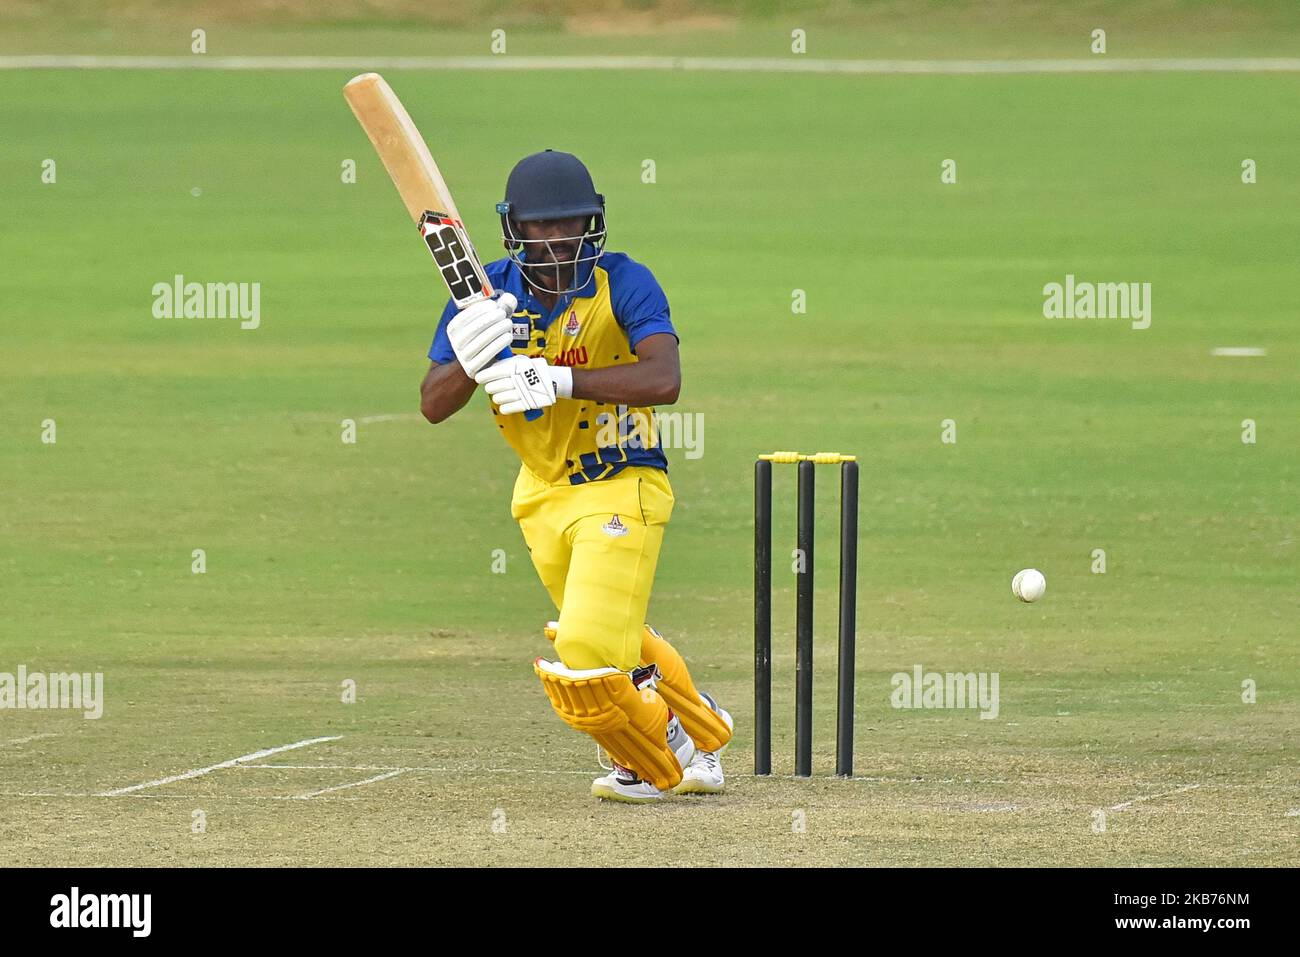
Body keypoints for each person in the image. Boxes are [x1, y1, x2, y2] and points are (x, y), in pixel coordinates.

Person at [418, 149, 732, 803]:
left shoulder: (625, 281)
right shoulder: (484, 295)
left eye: (573, 224)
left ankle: (653, 758)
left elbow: (664, 379)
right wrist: (471, 358)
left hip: (623, 478)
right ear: (516, 229)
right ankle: (700, 727)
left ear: (595, 223)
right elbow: (432, 403)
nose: (560, 238)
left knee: (587, 644)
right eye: (544, 227)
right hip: (541, 494)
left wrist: (560, 378)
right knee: (619, 631)